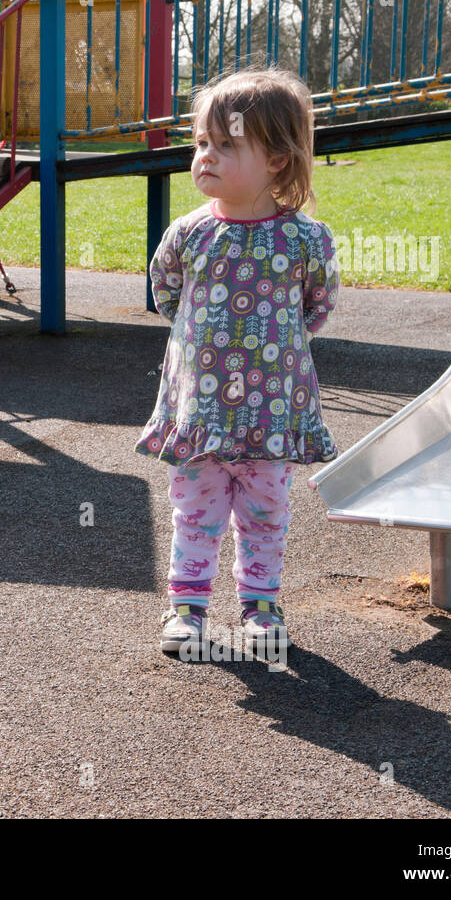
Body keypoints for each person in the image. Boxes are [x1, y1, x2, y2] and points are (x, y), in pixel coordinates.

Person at [133, 67, 340, 657]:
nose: (206, 156)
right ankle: (188, 606)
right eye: (202, 143)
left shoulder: (305, 240)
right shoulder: (189, 234)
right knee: (194, 510)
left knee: (265, 512)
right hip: (199, 409)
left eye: (227, 144)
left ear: (277, 158)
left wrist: (271, 346)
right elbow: (167, 294)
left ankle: (261, 604)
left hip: (274, 411)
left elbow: (316, 306)